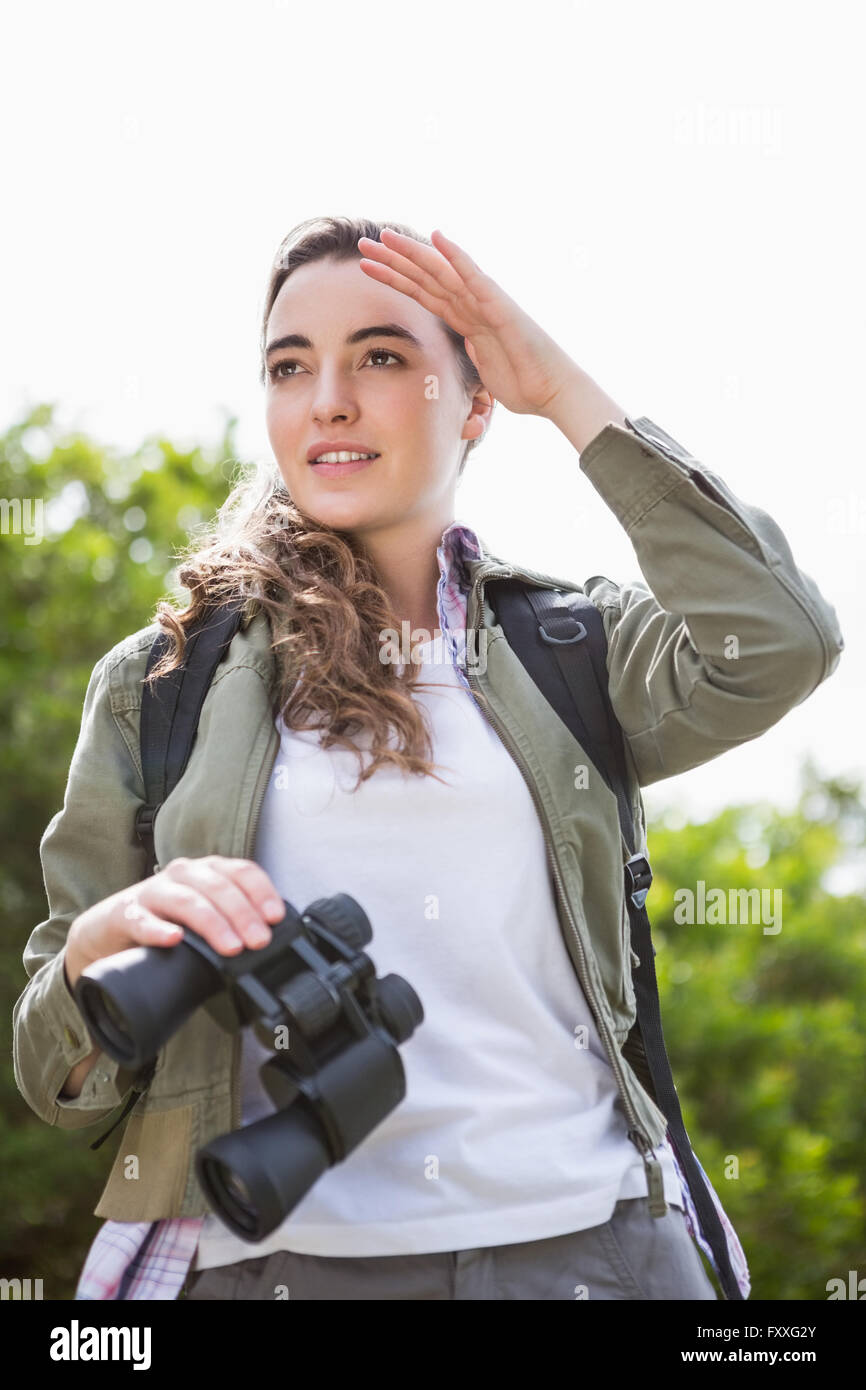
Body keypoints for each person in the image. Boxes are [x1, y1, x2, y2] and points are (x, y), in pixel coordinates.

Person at [12, 216, 844, 1301]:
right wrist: (94, 947)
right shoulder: (160, 683)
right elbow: (56, 1083)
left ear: (477, 400)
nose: (329, 400)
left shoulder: (572, 649)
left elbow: (781, 638)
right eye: (289, 366)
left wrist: (565, 394)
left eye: (383, 357)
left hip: (593, 1248)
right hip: (272, 1261)